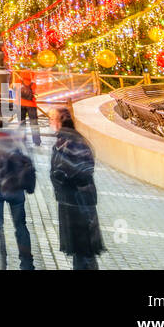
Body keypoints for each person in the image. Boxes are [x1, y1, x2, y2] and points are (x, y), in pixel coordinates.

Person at [49, 105, 105, 270]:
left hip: (79, 203)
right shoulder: (64, 140)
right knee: (79, 250)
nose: (50, 122)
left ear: (62, 121)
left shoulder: (73, 141)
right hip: (71, 202)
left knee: (83, 250)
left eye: (53, 118)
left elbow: (84, 170)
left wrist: (63, 176)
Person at [0, 126, 36, 270]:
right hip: (15, 190)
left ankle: (0, 264)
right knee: (20, 225)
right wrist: (29, 187)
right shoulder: (17, 139)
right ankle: (27, 264)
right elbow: (29, 163)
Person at [18, 74, 41, 147]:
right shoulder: (33, 84)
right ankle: (36, 141)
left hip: (20, 104)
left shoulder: (18, 81)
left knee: (21, 122)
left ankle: (22, 139)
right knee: (34, 123)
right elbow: (34, 92)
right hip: (31, 105)